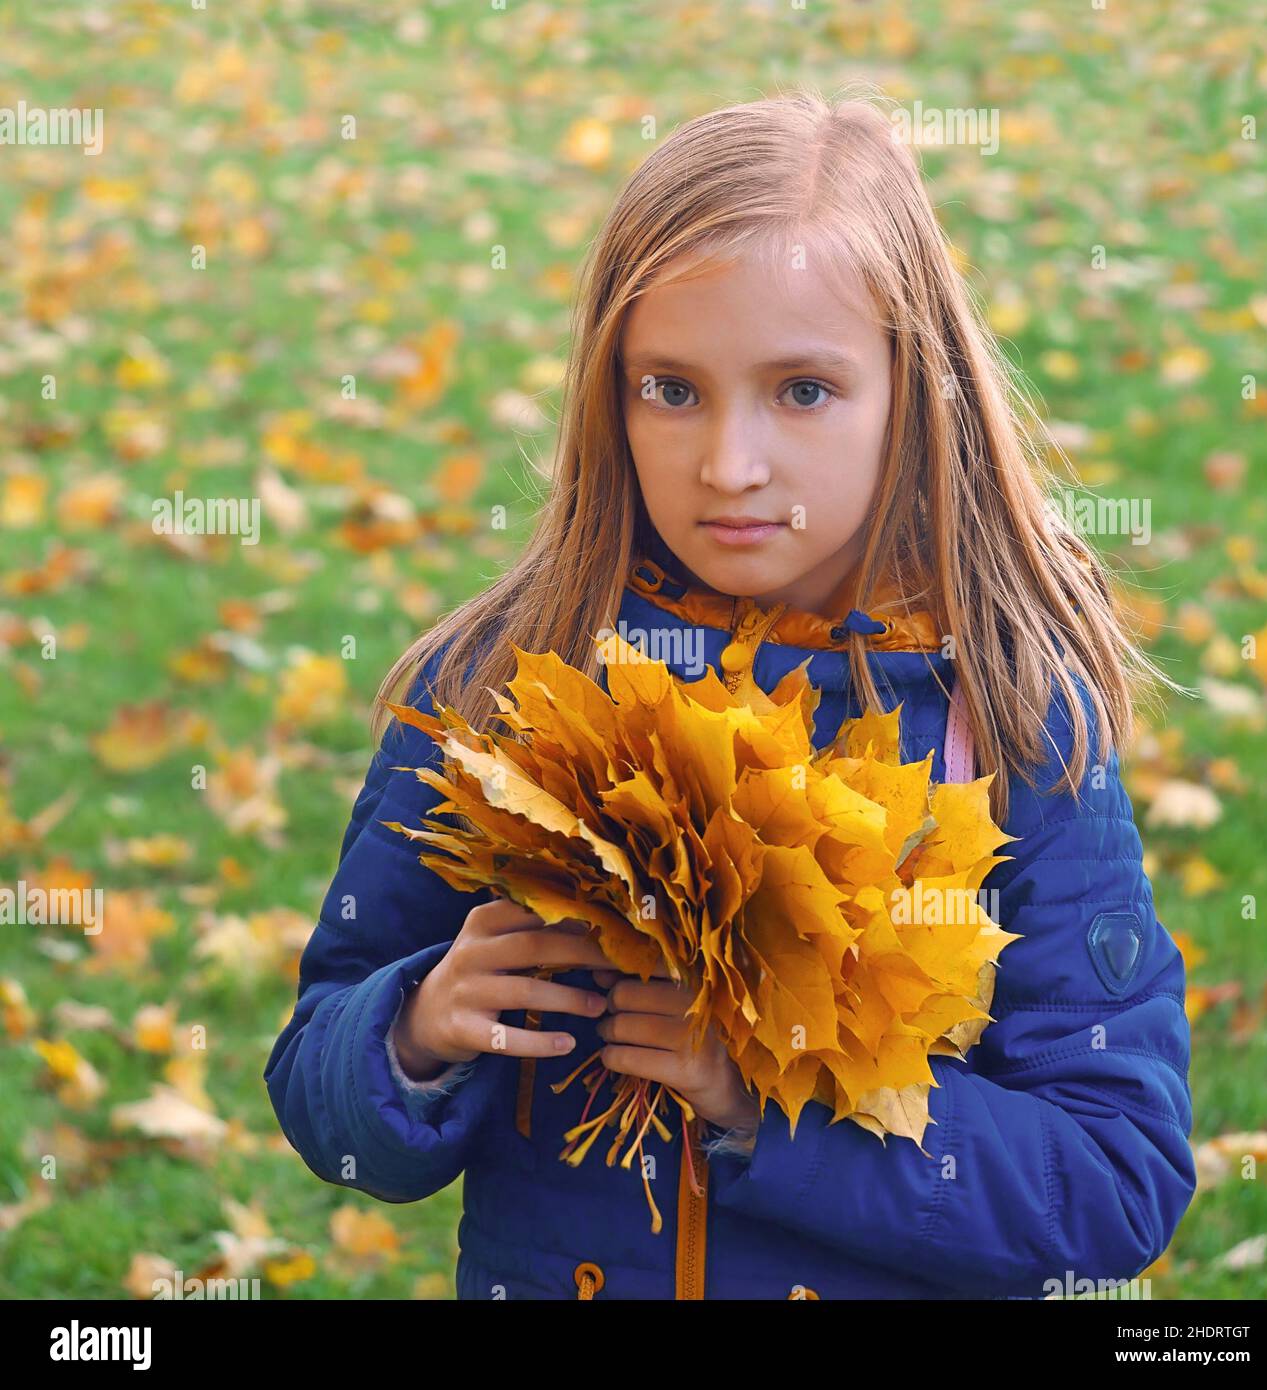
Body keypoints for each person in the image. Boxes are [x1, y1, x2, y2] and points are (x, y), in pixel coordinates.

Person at [264, 85, 1195, 1299]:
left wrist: (779, 1108)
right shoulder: (500, 682)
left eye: (801, 390)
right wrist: (413, 1027)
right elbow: (320, 1087)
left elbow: (1114, 1177)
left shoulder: (1011, 720)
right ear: (610, 387)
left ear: (912, 393)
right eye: (671, 389)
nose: (729, 465)